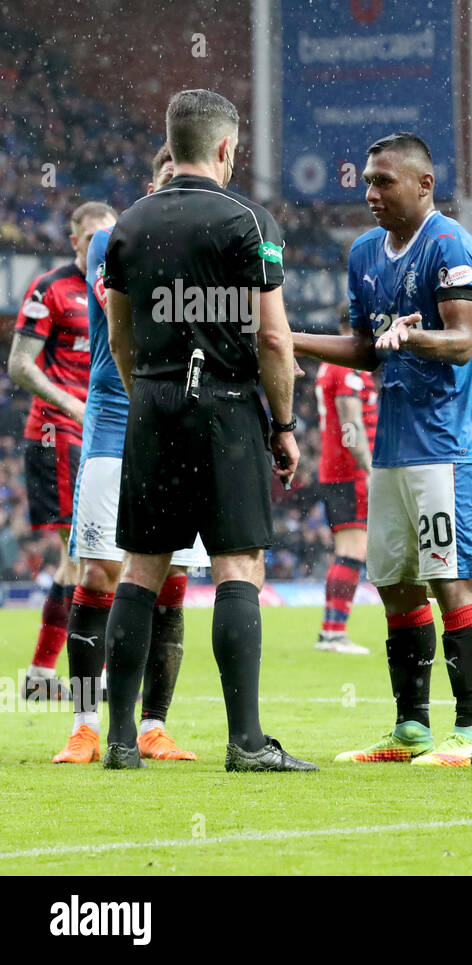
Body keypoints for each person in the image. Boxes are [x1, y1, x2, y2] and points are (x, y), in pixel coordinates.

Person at [101, 88, 312, 771]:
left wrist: (150, 399)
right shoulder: (250, 221)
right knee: (237, 566)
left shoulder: (127, 225)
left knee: (140, 569)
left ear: (174, 141)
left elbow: (118, 335)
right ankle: (246, 742)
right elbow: (276, 341)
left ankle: (122, 740)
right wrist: (283, 425)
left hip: (153, 407)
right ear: (226, 148)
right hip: (225, 408)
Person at [292, 132, 472, 767]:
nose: (371, 193)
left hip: (450, 447)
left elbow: (462, 341)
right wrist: (290, 338)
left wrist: (410, 339)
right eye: (367, 183)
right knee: (396, 585)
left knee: (449, 580)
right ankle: (411, 729)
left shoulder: (449, 243)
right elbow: (362, 349)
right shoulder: (362, 254)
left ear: (423, 184)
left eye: (384, 181)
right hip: (393, 450)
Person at [55, 143, 210, 764]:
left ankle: (152, 725)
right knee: (99, 573)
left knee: (171, 580)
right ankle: (86, 724)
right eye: (167, 178)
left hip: (183, 435)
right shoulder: (109, 241)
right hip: (117, 429)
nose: (176, 190)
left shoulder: (207, 247)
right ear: (150, 186)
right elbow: (148, 320)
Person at [9, 201, 115, 701]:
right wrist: (75, 406)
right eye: (89, 236)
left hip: (100, 435)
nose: (97, 244)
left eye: (105, 236)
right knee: (81, 558)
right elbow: (20, 366)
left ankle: (43, 676)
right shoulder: (50, 288)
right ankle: (66, 681)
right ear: (74, 240)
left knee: (85, 558)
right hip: (58, 435)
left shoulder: (119, 288)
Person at [312, 304, 377, 654]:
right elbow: (350, 425)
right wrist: (368, 469)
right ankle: (333, 633)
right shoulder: (346, 364)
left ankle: (332, 630)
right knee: (353, 549)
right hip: (348, 473)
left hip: (335, 471)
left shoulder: (328, 364)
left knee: (351, 549)